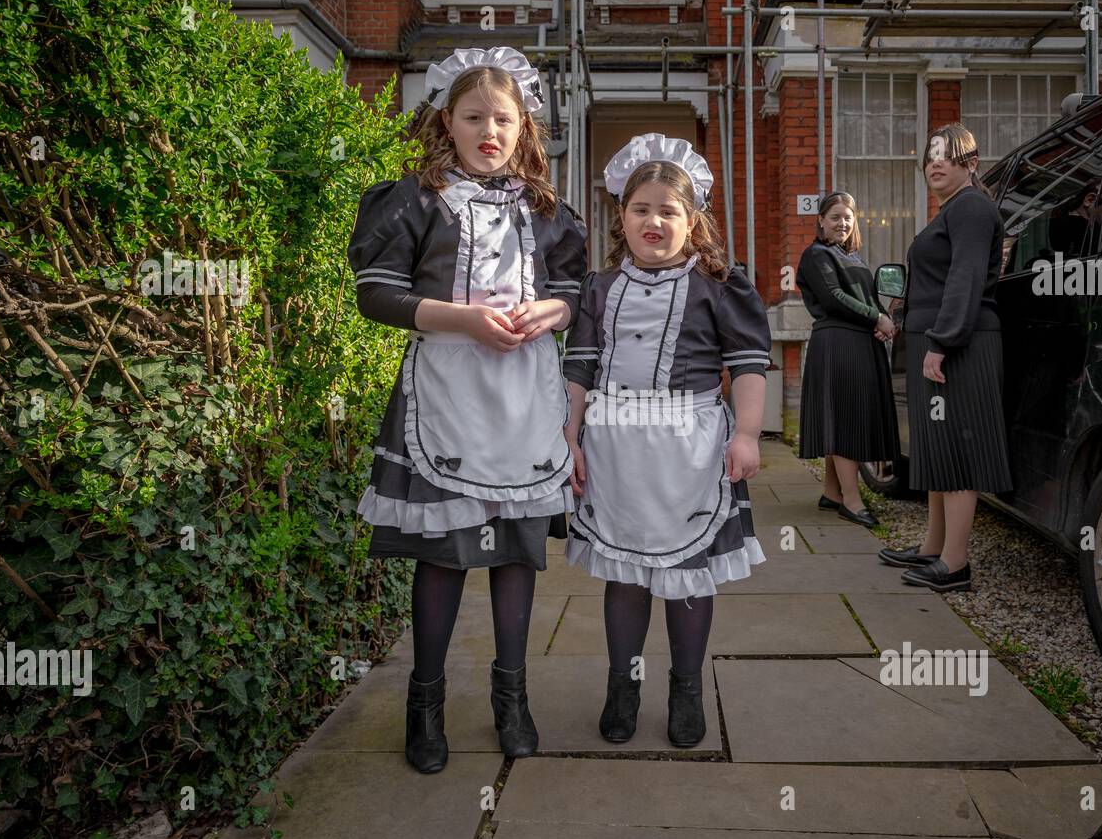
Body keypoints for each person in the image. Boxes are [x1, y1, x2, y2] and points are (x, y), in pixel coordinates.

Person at [347, 47, 587, 774]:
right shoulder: (414, 200)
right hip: (445, 392)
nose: (489, 129)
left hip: (525, 397)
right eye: (473, 116)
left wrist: (549, 310)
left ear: (524, 128)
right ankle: (425, 706)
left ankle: (510, 701)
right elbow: (374, 292)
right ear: (445, 121)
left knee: (516, 552)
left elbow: (577, 291)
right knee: (445, 555)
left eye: (503, 119)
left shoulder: (547, 210)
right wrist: (465, 321)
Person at [561, 134, 769, 747]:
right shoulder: (597, 288)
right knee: (624, 576)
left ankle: (685, 688)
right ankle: (622, 687)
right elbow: (579, 367)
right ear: (621, 218)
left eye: (669, 211)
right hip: (614, 450)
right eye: (640, 209)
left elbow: (751, 362)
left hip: (690, 446)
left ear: (694, 220)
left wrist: (750, 434)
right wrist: (568, 438)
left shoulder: (720, 283)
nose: (654, 221)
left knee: (686, 575)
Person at [878, 122, 1011, 592]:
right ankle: (933, 547)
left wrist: (942, 341)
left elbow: (966, 278)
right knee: (935, 448)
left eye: (946, 155)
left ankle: (955, 564)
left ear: (970, 164)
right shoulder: (952, 210)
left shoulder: (972, 207)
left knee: (955, 448)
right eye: (930, 156)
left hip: (959, 346)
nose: (935, 162)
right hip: (936, 342)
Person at [797, 191, 899, 528]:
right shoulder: (816, 254)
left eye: (848, 217)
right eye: (835, 217)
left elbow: (866, 298)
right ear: (821, 221)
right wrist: (876, 319)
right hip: (837, 343)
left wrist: (884, 319)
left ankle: (832, 492)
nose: (842, 223)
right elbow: (834, 298)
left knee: (843, 417)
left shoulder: (852, 256)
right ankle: (852, 502)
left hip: (859, 344)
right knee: (844, 421)